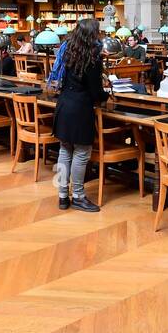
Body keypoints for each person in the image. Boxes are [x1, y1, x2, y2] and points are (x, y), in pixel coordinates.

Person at [50, 18, 108, 213]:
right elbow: (95, 91)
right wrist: (106, 95)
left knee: (65, 150)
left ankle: (62, 196)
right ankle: (79, 196)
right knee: (82, 153)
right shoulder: (92, 58)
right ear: (92, 34)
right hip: (80, 109)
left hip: (64, 104)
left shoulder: (67, 51)